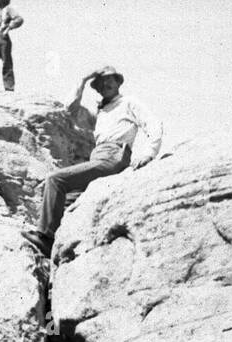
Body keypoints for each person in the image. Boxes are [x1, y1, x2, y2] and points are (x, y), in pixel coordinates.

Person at [22, 66, 162, 257]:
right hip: (98, 157)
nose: (106, 84)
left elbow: (153, 122)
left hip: (113, 157)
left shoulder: (128, 102)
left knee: (55, 180)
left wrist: (149, 153)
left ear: (118, 82)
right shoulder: (101, 112)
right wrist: (82, 79)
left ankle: (46, 239)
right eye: (101, 83)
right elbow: (68, 110)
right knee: (65, 204)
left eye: (110, 80)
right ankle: (59, 249)